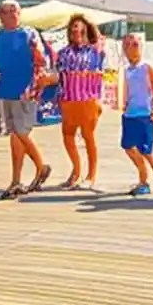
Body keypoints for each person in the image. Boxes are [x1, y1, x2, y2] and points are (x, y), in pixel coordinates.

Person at [0, 0, 53, 199]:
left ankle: (40, 166)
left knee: (21, 131)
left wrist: (34, 87)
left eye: (15, 11)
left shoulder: (29, 35)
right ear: (0, 15)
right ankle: (16, 179)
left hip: (25, 91)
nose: (12, 14)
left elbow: (41, 63)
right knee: (15, 135)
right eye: (6, 11)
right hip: (5, 89)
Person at [54, 14, 106, 190]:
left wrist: (87, 23)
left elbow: (98, 40)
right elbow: (59, 76)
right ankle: (75, 172)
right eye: (73, 27)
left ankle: (91, 176)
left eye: (80, 27)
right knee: (68, 137)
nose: (76, 30)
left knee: (88, 137)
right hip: (68, 99)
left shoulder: (94, 51)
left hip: (87, 99)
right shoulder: (63, 53)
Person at [120, 34, 153, 196]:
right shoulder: (126, 70)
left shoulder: (147, 67)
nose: (131, 48)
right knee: (128, 146)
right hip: (130, 113)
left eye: (135, 44)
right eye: (128, 45)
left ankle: (145, 180)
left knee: (145, 149)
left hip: (145, 114)